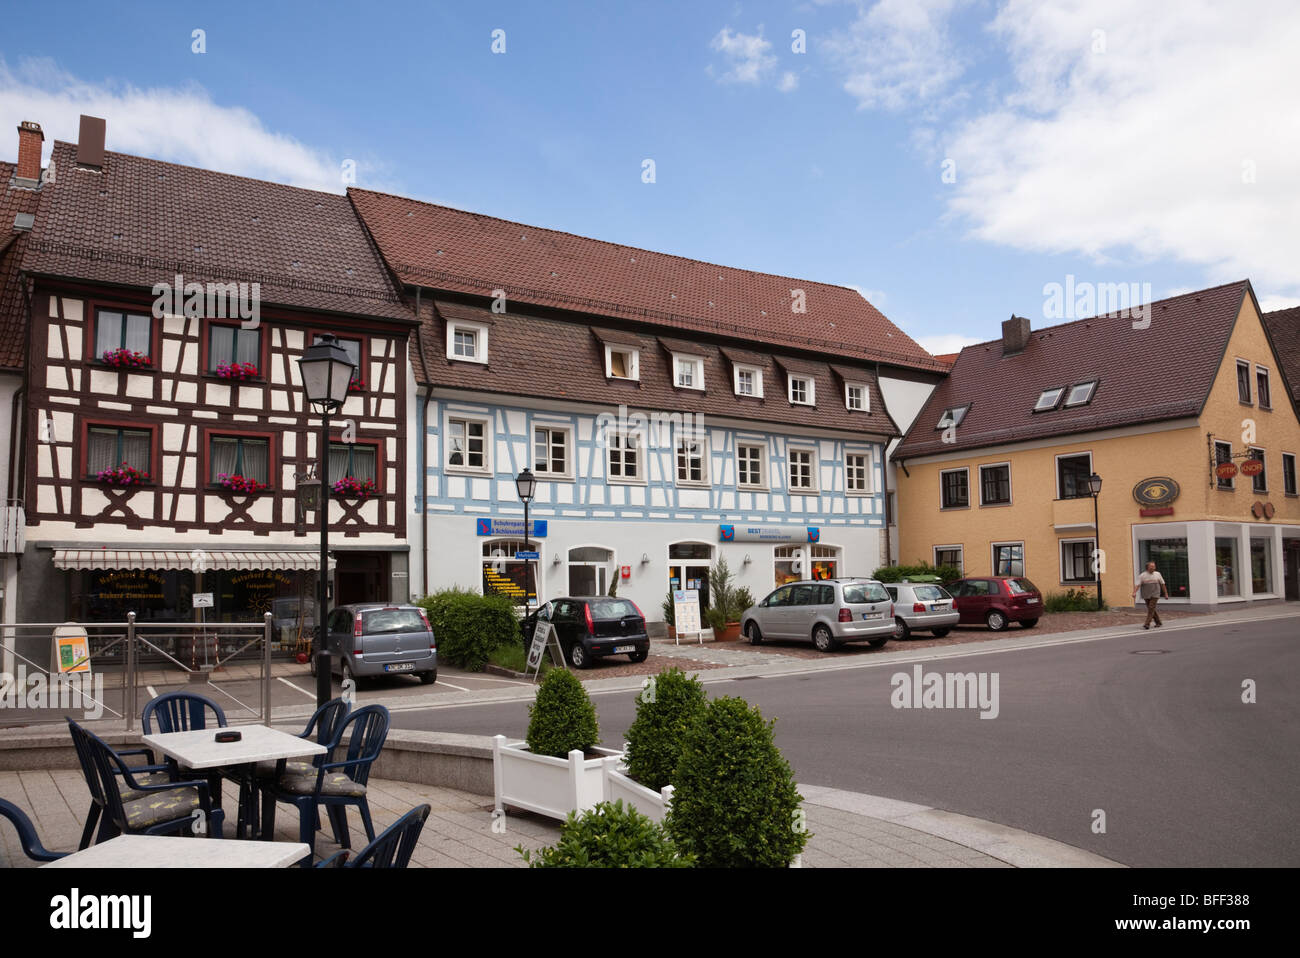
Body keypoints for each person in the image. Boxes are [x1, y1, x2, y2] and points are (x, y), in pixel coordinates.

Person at [1132, 561, 1169, 629]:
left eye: (1154, 566)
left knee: (1151, 608)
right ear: (1147, 567)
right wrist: (1134, 592)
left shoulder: (1158, 574)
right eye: (1151, 566)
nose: (1153, 568)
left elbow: (1162, 584)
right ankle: (1158, 622)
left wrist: (1166, 594)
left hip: (1155, 593)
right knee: (1151, 609)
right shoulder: (1142, 575)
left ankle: (1147, 624)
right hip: (1146, 594)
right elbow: (1137, 585)